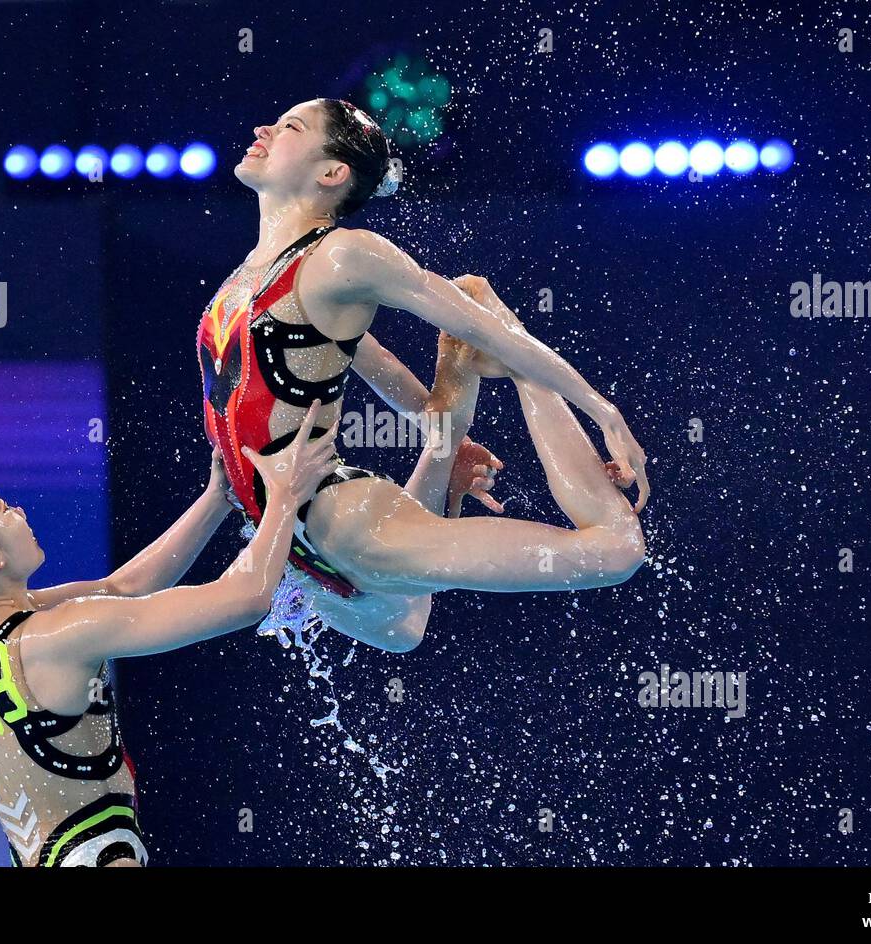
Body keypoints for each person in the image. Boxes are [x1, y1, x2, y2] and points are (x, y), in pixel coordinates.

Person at [196, 97, 648, 652]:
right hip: (297, 546)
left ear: (332, 173)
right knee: (404, 630)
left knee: (619, 551)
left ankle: (521, 383)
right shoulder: (249, 275)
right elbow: (371, 364)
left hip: (338, 526)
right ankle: (449, 426)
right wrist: (444, 439)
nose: (262, 125)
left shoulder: (345, 255)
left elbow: (491, 334)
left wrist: (604, 411)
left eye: (290, 126)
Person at [0, 405, 338, 866]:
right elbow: (245, 598)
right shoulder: (59, 635)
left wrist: (217, 497)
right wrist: (284, 495)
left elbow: (125, 587)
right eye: (3, 509)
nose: (18, 510)